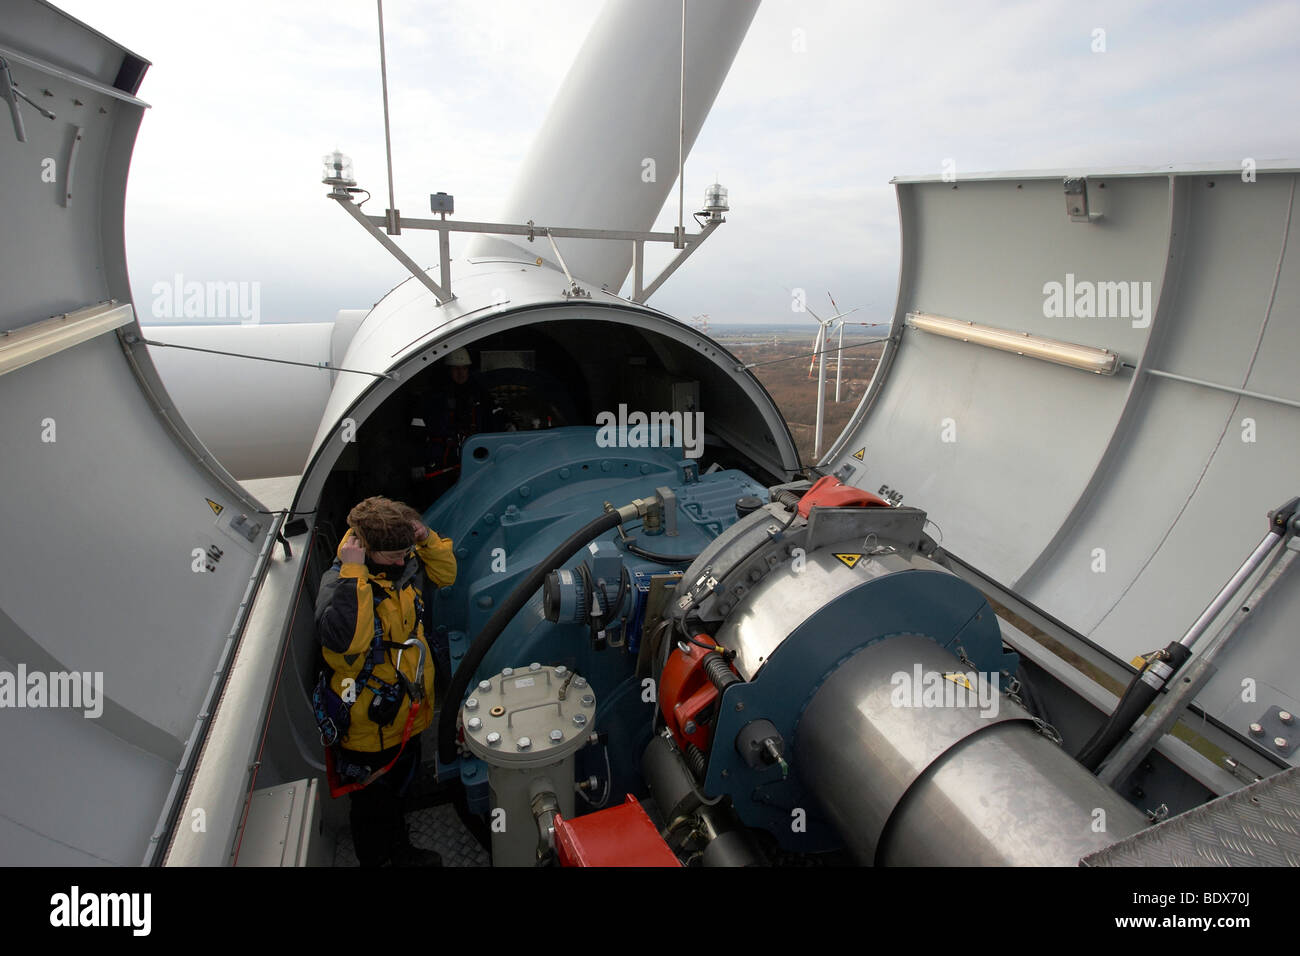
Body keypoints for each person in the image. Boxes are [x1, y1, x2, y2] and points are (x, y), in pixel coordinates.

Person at [314, 496, 457, 866]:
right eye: (394, 556)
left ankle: (401, 851)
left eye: (406, 552)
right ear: (365, 550)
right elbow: (350, 644)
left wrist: (425, 540)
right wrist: (354, 574)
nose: (403, 561)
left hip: (405, 716)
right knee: (372, 807)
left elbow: (446, 575)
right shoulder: (340, 587)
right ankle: (381, 860)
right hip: (368, 732)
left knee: (398, 794)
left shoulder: (403, 566)